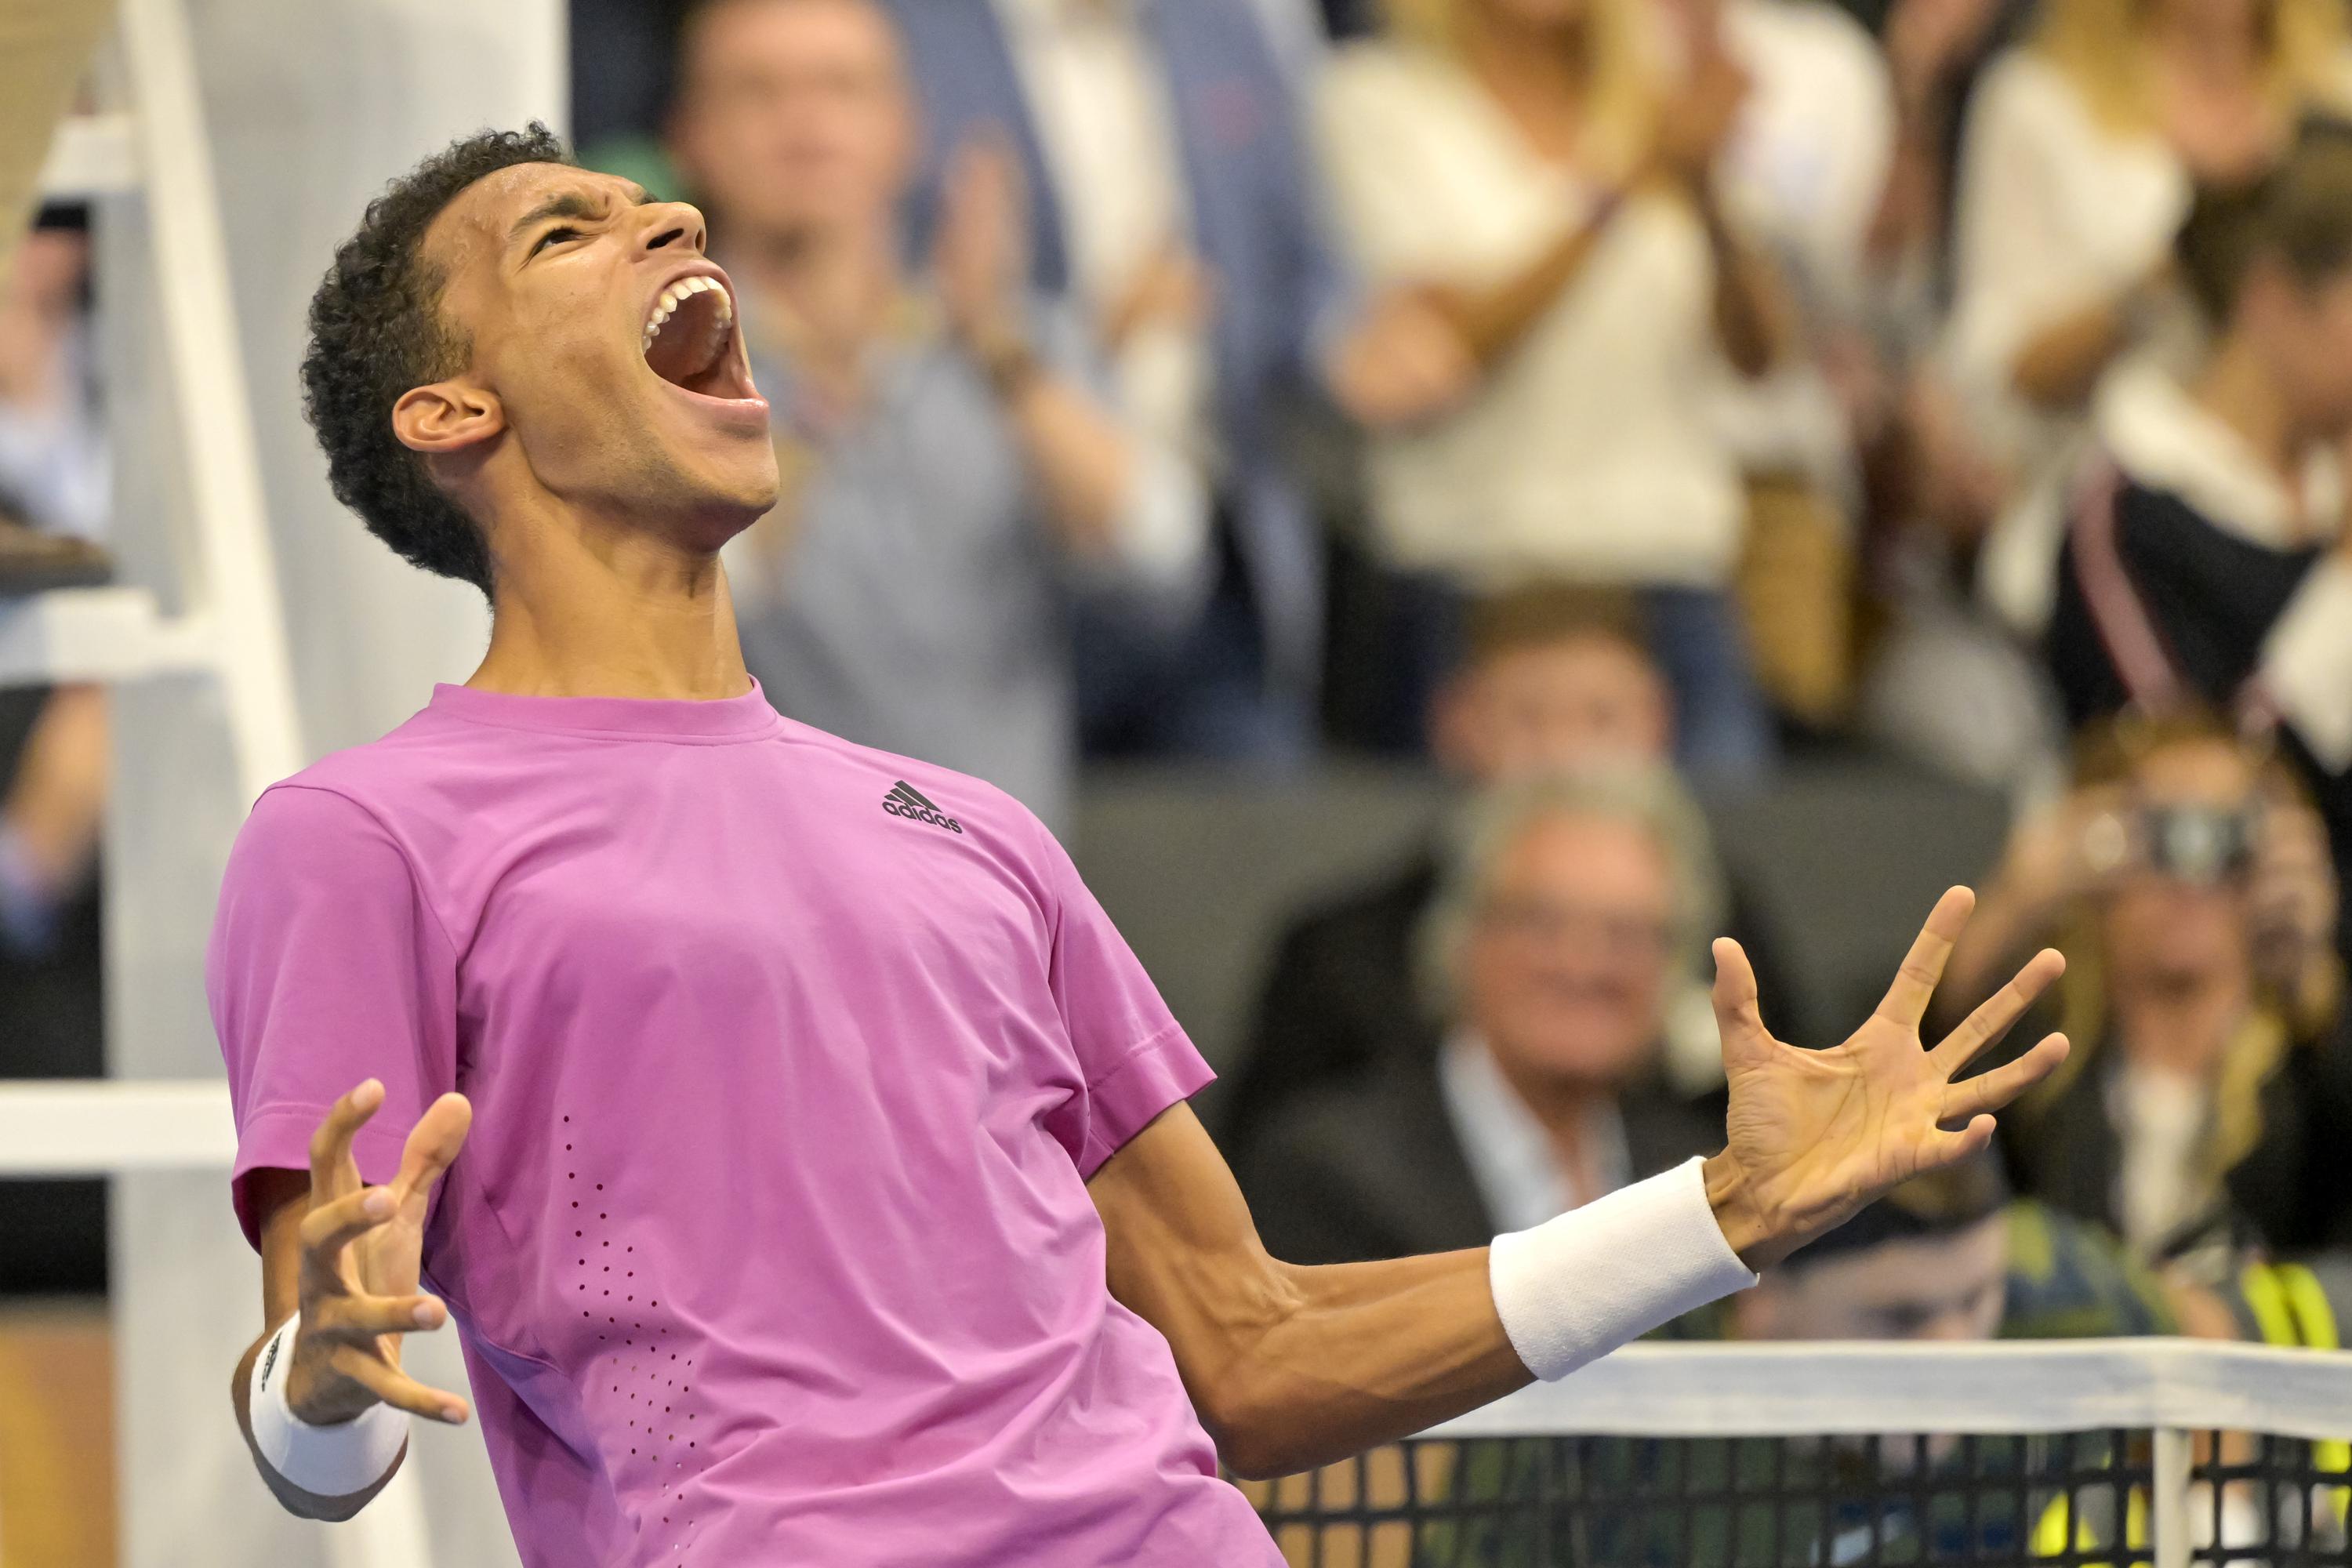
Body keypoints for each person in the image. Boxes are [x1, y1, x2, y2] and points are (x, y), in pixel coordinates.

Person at [209, 124, 2070, 1566]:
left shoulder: (980, 836)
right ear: (451, 411)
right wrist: (318, 1370)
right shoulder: (362, 833)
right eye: (570, 231)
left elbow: (1244, 1344)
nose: (671, 229)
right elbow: (326, 1413)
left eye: (659, 212)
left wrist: (1719, 1214)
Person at [662, 0, 1209, 830]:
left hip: (994, 894)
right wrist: (790, 376)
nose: (804, 122)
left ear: (906, 127)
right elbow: (687, 626)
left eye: (842, 89)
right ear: (690, 135)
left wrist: (1000, 354)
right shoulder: (657, 372)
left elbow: (1161, 560)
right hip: (761, 883)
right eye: (757, 92)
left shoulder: (1015, 349)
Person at [881, 0, 1472, 765]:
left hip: (1224, 545)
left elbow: (1300, 262)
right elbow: (872, 277)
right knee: (998, 849)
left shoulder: (1223, 28)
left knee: (1239, 851)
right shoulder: (909, 31)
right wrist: (1090, 340)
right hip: (1008, 552)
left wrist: (1344, 349)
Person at [1312, 0, 1796, 776]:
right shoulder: (1379, 101)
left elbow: (1763, 357)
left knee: (1708, 881)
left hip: (1667, 565)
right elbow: (1443, 350)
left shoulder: (1652, 99)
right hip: (1475, 568)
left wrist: (1704, 190)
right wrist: (1625, 186)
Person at [1225, 585, 1788, 1167]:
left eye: (1600, 719)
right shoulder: (1340, 952)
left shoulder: (1728, 927)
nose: (1566, 754)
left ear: (1659, 723)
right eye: (1529, 718)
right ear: (1456, 723)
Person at [1945, 0, 2352, 634]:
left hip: (2313, 513)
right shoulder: (2038, 97)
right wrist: (2177, 258)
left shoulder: (2336, 82)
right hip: (2123, 516)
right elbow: (1999, 379)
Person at [1237, 769, 1727, 1268]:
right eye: (1543, 922)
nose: (1584, 965)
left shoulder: (1696, 1179)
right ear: (1463, 943)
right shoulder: (1329, 1174)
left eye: (1627, 933)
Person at [2044, 133, 2352, 924]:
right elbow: (2195, 786)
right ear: (2272, 295)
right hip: (2189, 940)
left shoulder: (2328, 497)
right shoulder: (2129, 511)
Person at [1942, 712, 2352, 1269]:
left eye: (2227, 839)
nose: (2188, 875)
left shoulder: (2309, 1068)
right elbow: (1909, 1111)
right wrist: (2013, 903)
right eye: (2155, 836)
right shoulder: (2043, 1063)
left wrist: (2314, 978)